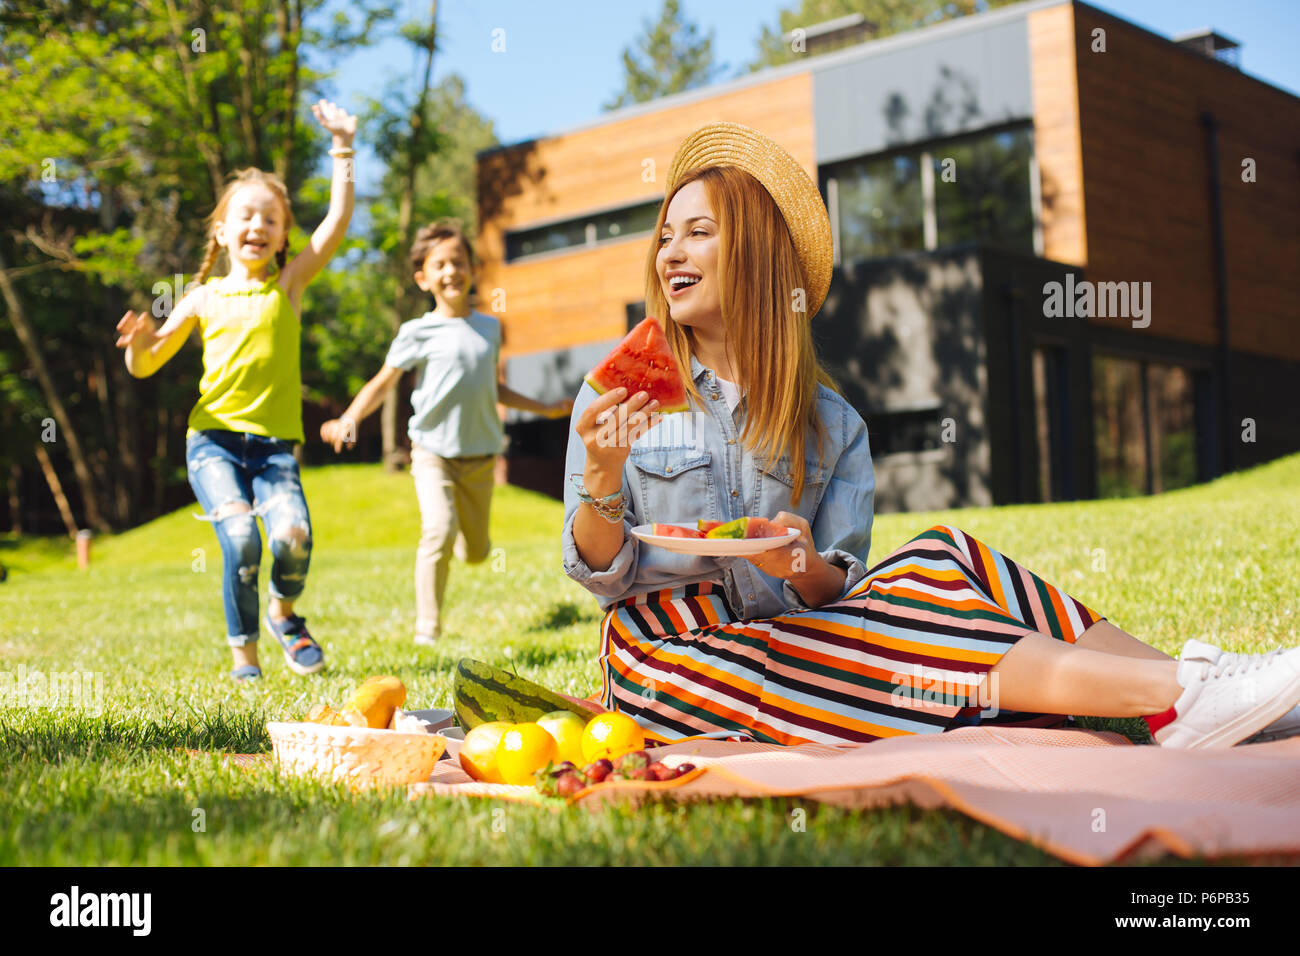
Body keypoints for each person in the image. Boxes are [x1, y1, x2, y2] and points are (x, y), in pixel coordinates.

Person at [562, 122, 1300, 749]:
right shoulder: (618, 400)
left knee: (944, 552)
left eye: (698, 233)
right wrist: (602, 473)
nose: (671, 254)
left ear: (758, 256)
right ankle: (1184, 690)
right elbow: (598, 569)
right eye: (666, 237)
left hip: (795, 630)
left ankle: (1187, 703)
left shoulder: (832, 422)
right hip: (673, 663)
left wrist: (804, 562)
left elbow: (836, 587)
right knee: (869, 647)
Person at [115, 100, 357, 681]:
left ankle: (285, 614)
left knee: (293, 537)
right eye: (246, 216)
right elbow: (147, 367)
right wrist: (139, 345)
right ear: (221, 230)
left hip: (273, 447)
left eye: (270, 220)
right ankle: (244, 659)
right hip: (214, 443)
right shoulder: (201, 298)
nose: (258, 226)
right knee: (243, 538)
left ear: (281, 238)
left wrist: (343, 148)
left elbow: (338, 222)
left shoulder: (289, 287)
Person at [320, 220, 572, 645]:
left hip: (480, 455)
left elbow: (493, 386)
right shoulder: (417, 331)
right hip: (432, 450)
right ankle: (427, 629)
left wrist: (543, 407)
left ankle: (462, 539)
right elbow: (383, 382)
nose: (451, 271)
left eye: (458, 262)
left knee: (477, 552)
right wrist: (350, 418)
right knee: (437, 529)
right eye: (440, 265)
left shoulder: (489, 328)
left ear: (472, 268)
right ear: (423, 278)